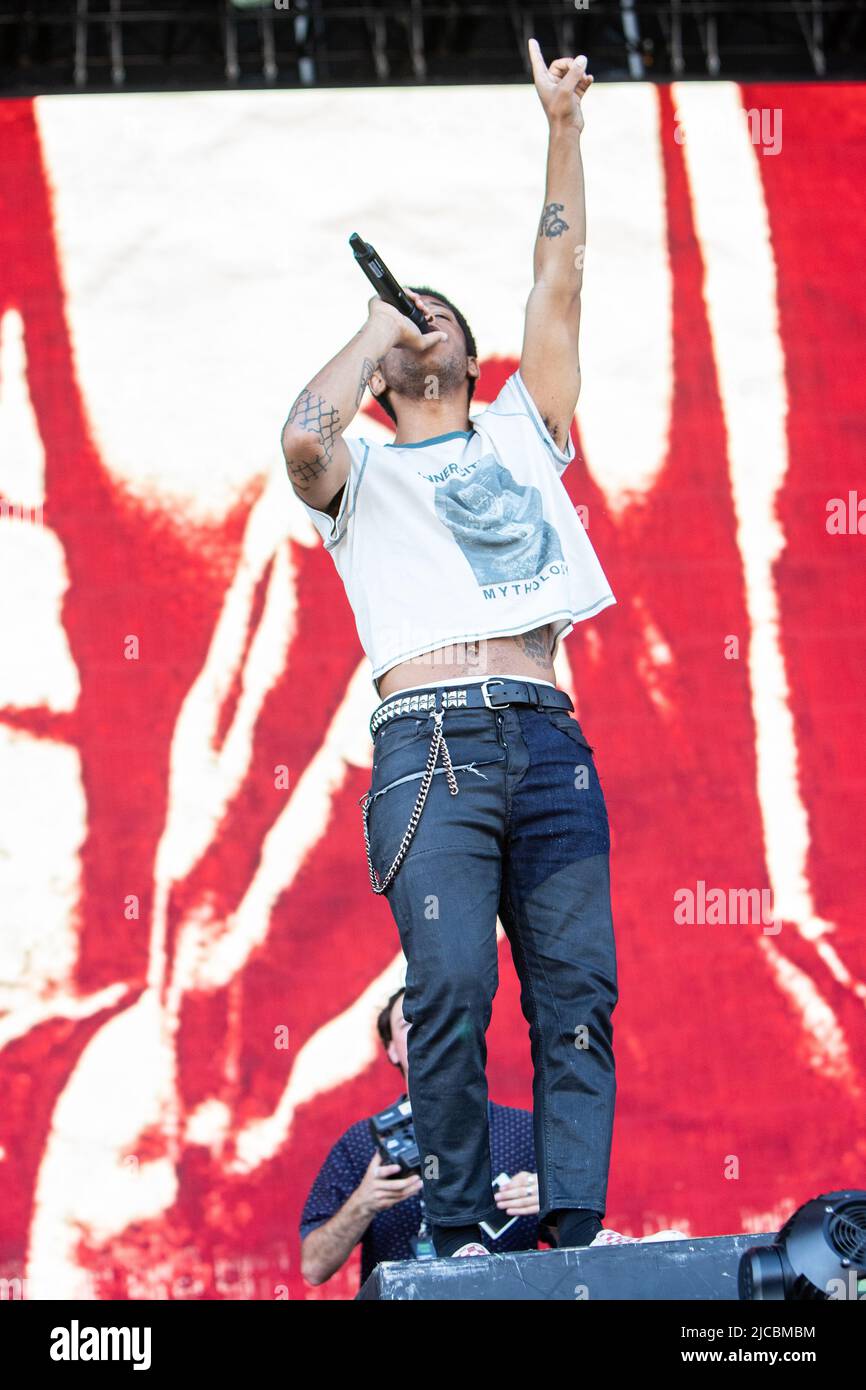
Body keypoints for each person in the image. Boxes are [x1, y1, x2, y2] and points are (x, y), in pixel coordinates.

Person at [283, 42, 619, 1258]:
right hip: (428, 743)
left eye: (437, 317)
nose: (423, 321)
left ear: (467, 357)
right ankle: (464, 1229)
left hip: (544, 731)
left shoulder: (525, 428)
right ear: (385, 371)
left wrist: (563, 130)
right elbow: (300, 435)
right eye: (404, 327)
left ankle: (572, 1237)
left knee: (576, 997)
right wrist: (371, 324)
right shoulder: (360, 469)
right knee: (450, 992)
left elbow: (559, 281)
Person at [299, 988, 541, 1286]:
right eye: (407, 1022)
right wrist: (363, 1202)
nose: (425, 1031)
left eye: (435, 1018)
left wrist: (552, 1206)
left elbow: (575, 1252)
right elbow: (313, 1267)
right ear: (390, 1049)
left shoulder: (525, 1130)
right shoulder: (363, 1142)